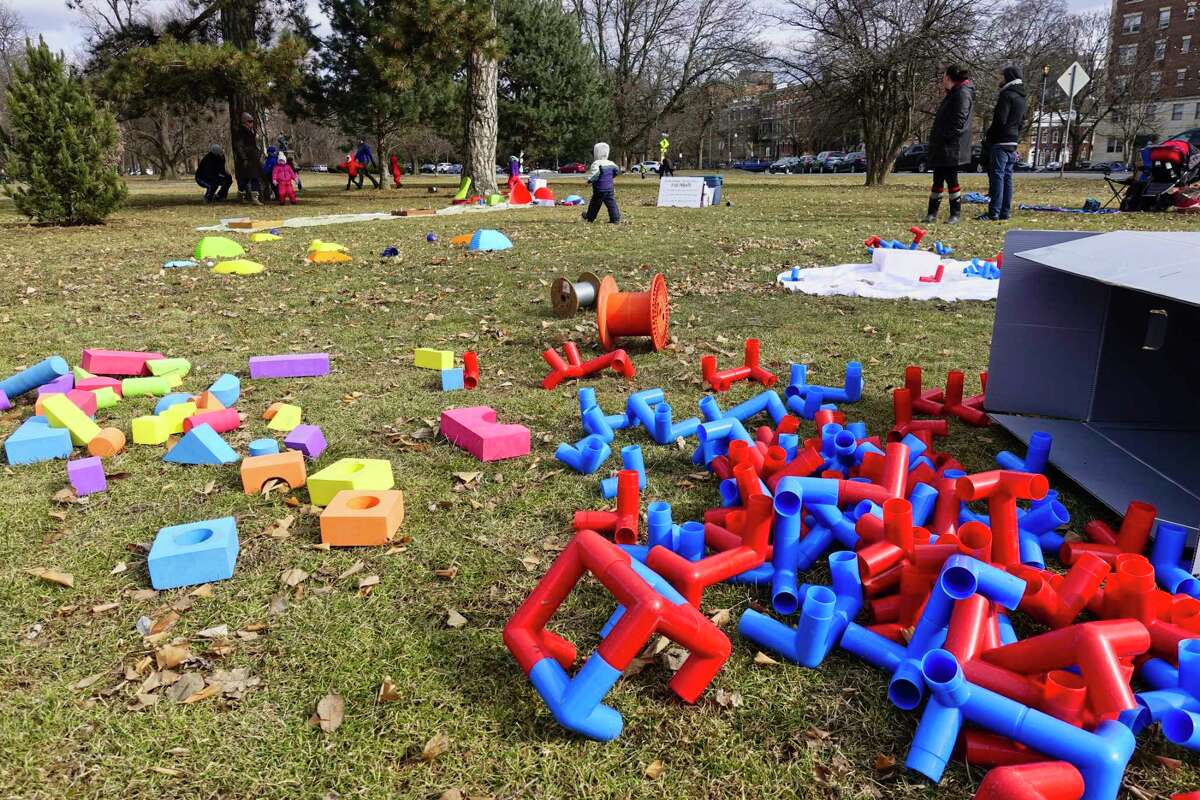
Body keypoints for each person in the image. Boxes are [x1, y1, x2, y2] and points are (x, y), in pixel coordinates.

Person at [924, 65, 974, 224]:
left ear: (949, 78)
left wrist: (945, 136)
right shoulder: (954, 93)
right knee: (937, 179)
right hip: (943, 146)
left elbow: (959, 121)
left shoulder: (962, 94)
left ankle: (955, 214)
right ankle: (932, 213)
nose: (942, 81)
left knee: (952, 180)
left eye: (944, 77)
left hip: (952, 146)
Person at [978, 65, 1028, 221]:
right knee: (1007, 177)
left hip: (1000, 141)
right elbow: (1021, 122)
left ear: (1008, 77)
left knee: (997, 177)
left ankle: (994, 212)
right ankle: (1005, 212)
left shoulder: (1006, 95)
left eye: (1001, 76)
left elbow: (1000, 120)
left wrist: (990, 136)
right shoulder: (1021, 98)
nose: (999, 79)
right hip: (1012, 142)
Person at [582, 141, 621, 224]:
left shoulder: (596, 163)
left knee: (595, 204)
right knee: (611, 203)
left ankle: (590, 217)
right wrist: (611, 177)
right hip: (610, 188)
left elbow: (595, 175)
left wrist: (589, 181)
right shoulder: (611, 163)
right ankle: (615, 218)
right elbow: (617, 171)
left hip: (599, 188)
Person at [232, 111, 262, 204]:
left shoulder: (252, 132)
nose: (251, 123)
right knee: (244, 179)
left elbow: (256, 145)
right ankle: (240, 196)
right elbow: (239, 147)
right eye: (249, 121)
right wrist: (244, 158)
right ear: (244, 122)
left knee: (254, 178)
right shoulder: (240, 132)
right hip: (246, 159)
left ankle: (255, 198)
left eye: (252, 121)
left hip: (253, 158)